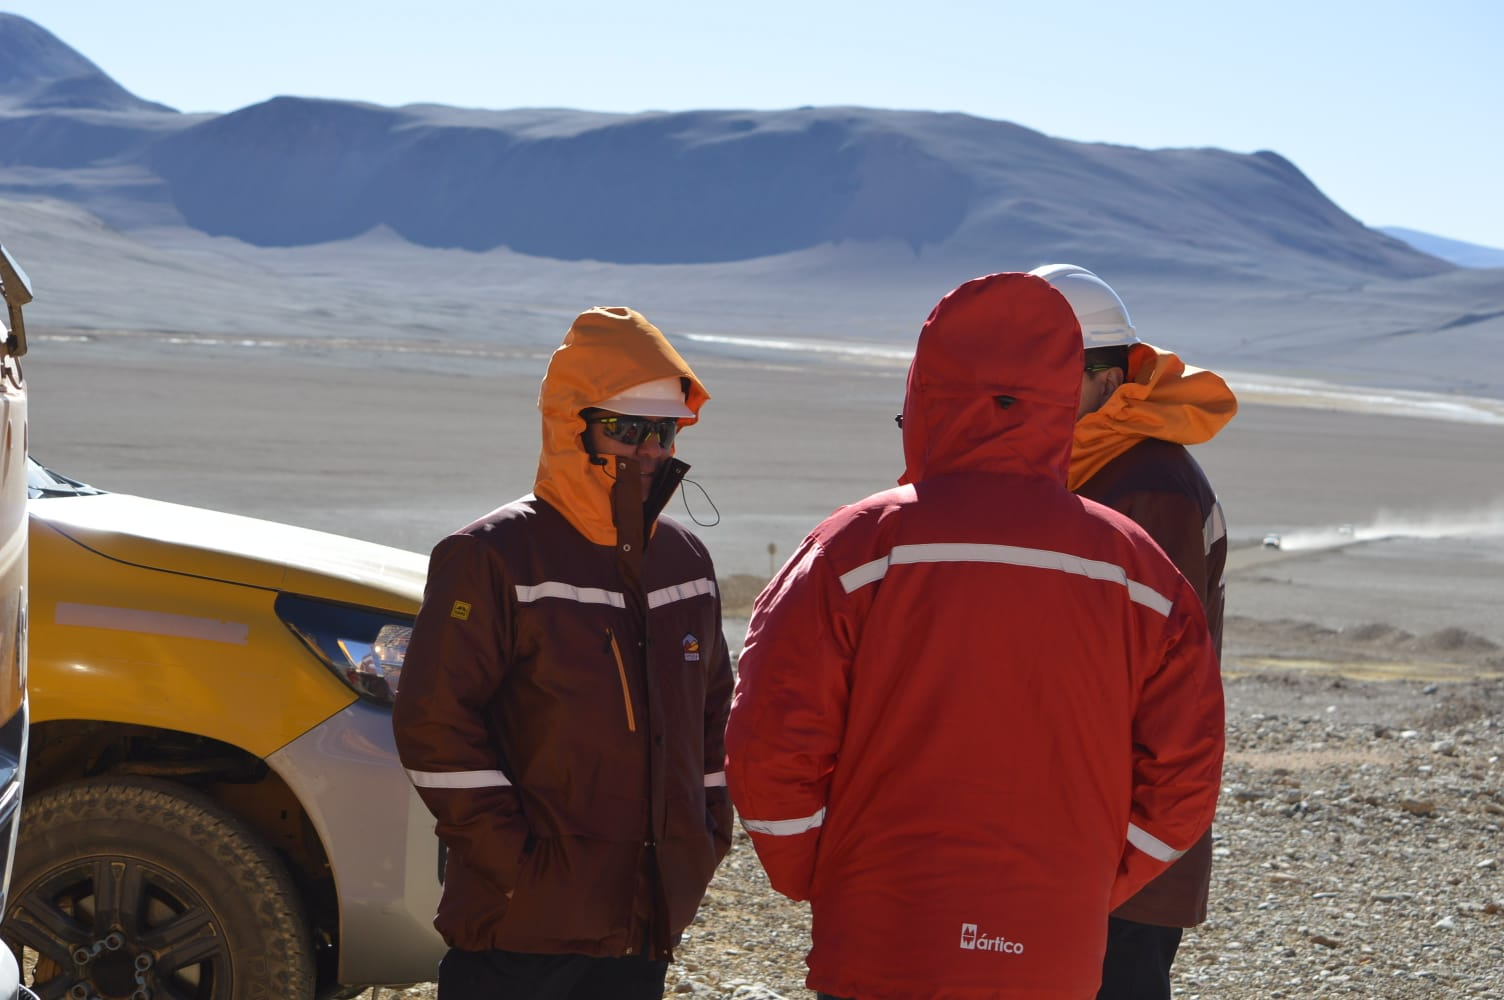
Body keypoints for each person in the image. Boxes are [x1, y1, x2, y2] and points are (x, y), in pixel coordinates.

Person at [724, 272, 1226, 1000]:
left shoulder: (860, 545)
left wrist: (820, 871)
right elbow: (1187, 760)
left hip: (882, 941)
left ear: (925, 396)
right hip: (1053, 948)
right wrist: (1082, 886)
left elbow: (770, 734)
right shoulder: (1133, 561)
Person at [392, 306, 735, 1000]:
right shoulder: (490, 556)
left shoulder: (684, 560)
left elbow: (713, 719)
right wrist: (516, 867)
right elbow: (433, 724)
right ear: (571, 424)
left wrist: (703, 840)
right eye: (626, 428)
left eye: (662, 431)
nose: (647, 449)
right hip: (520, 930)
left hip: (643, 920)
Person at [1030, 263, 1236, 1000]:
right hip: (1082, 842)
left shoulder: (1143, 488)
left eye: (1053, 371)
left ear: (1111, 376)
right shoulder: (1086, 468)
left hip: (1120, 853)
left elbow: (1138, 689)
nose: (1030, 393)